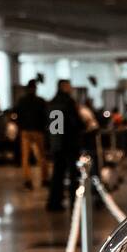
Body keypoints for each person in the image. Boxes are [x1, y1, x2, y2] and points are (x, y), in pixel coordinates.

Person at [45, 79, 82, 212]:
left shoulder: (53, 102)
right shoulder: (68, 102)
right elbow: (75, 123)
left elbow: (52, 127)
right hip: (69, 143)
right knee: (73, 174)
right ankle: (74, 201)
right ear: (64, 87)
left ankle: (54, 202)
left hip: (57, 144)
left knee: (57, 174)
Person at [13, 81, 48, 190]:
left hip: (26, 131)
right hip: (38, 131)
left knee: (26, 157)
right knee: (41, 156)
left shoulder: (22, 101)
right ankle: (45, 178)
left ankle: (28, 180)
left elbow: (16, 115)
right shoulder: (40, 101)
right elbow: (45, 116)